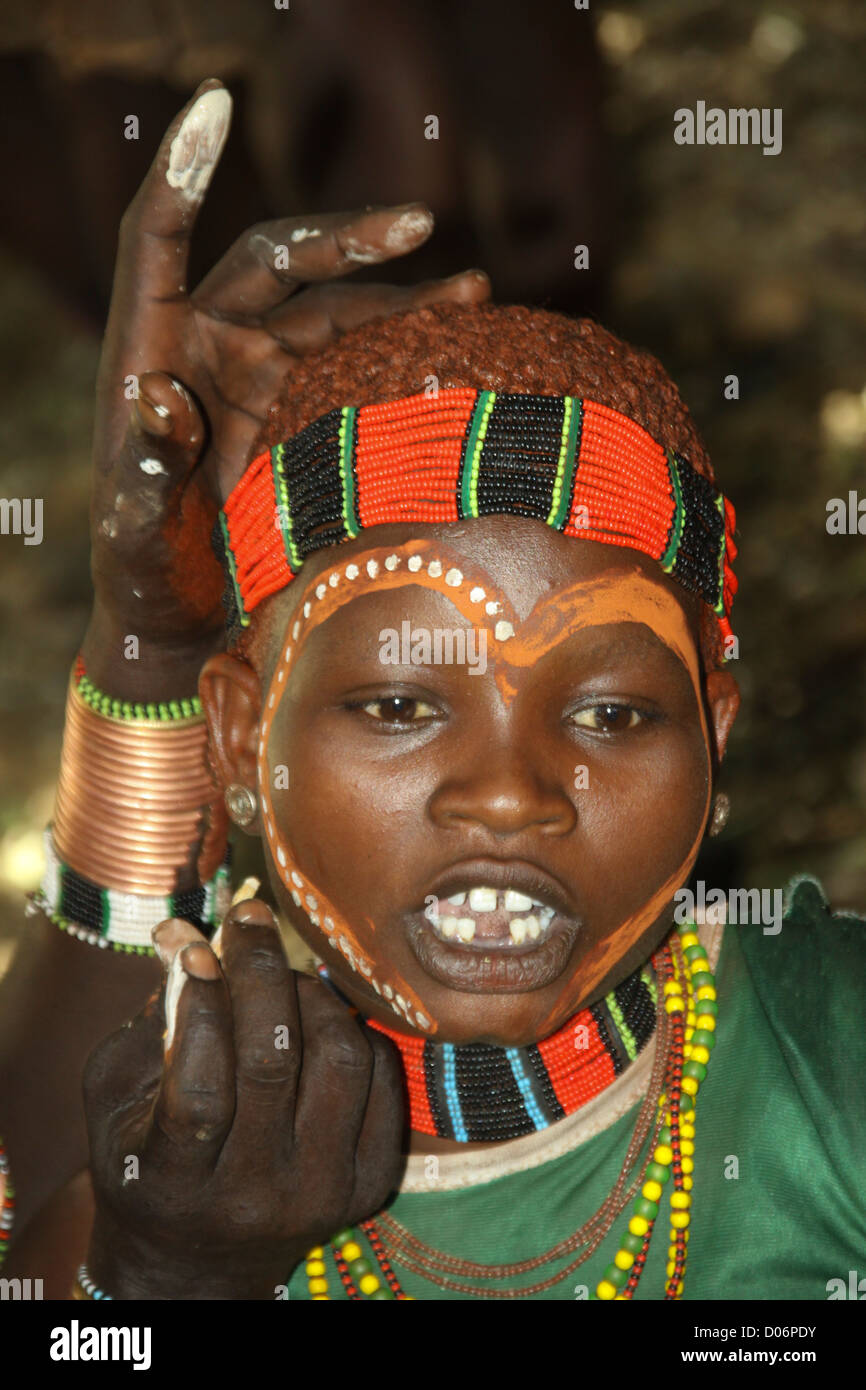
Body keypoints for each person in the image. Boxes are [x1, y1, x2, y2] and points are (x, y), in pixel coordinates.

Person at [4, 82, 865, 1303]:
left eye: (611, 714)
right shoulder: (168, 1198)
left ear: (713, 742)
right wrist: (163, 1280)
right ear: (244, 732)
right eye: (400, 706)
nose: (509, 799)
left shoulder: (825, 1062)